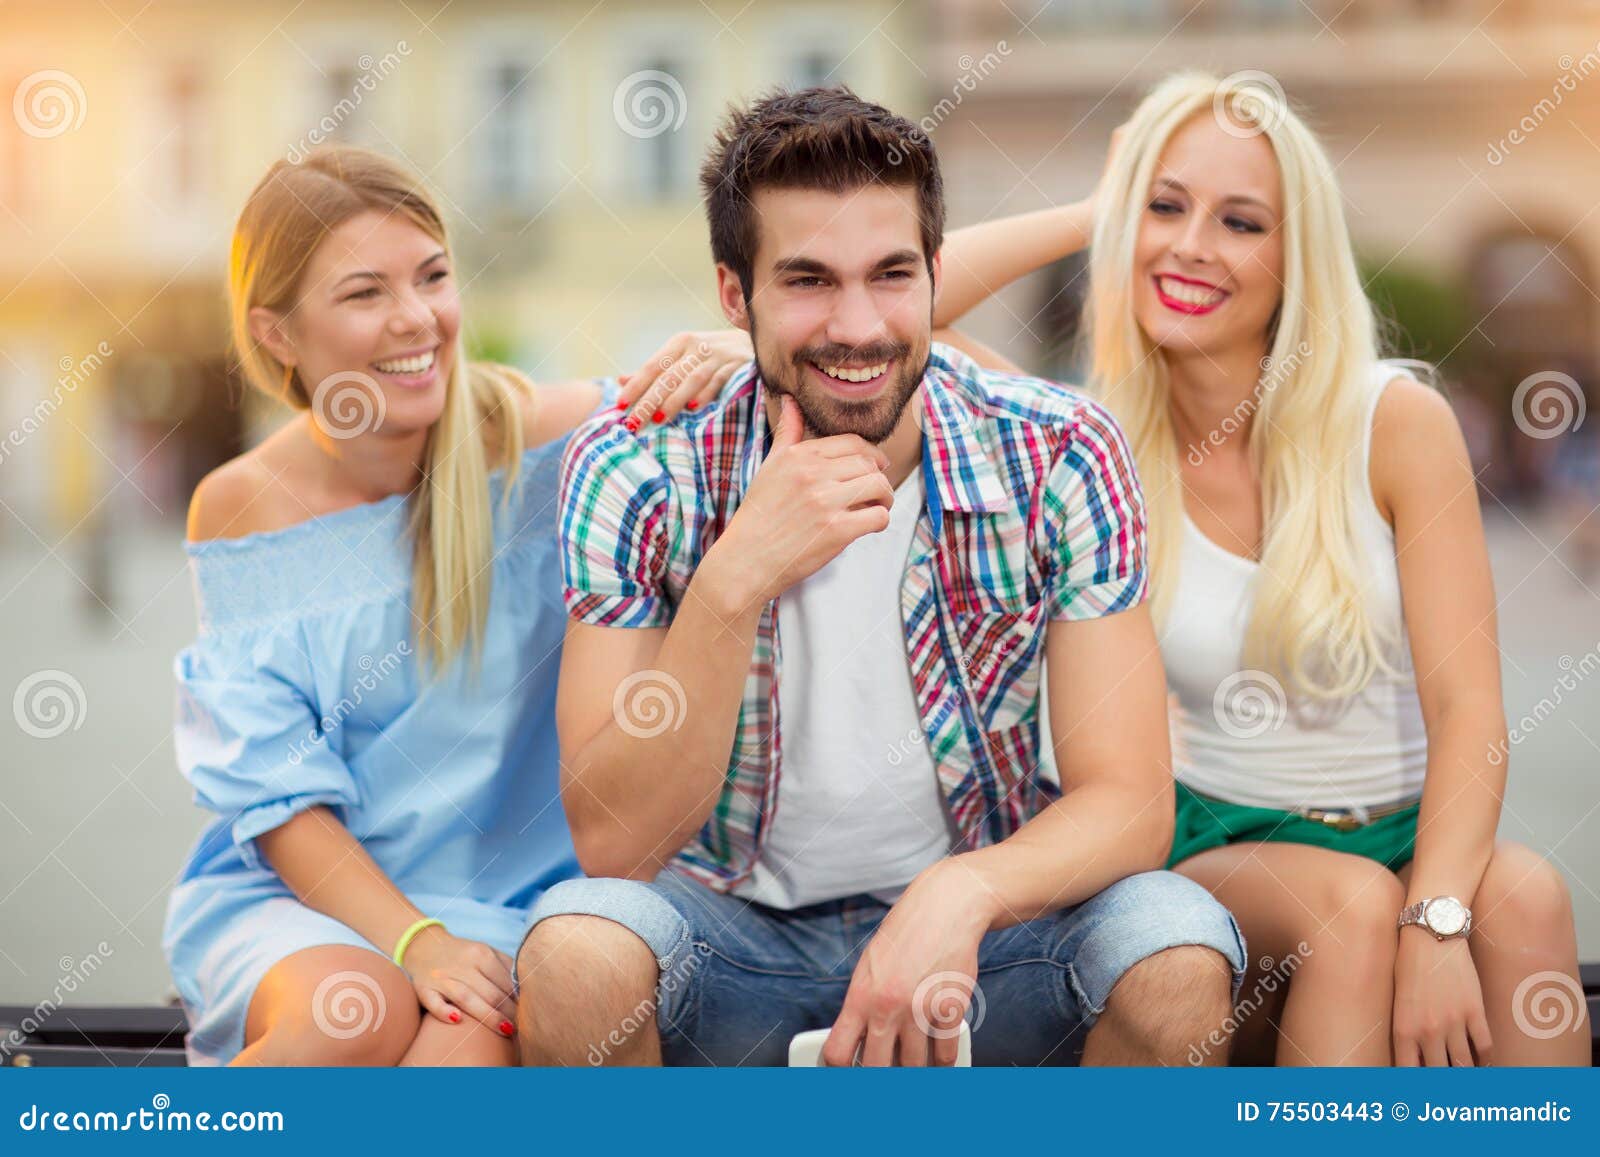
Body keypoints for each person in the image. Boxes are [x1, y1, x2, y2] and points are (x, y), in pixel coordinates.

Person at [514, 86, 1247, 1068]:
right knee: (575, 950)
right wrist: (735, 577)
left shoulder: (1058, 449)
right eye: (808, 280)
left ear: (935, 275)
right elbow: (613, 840)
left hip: (985, 950)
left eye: (890, 275)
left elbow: (1129, 802)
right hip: (731, 942)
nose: (857, 326)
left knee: (1174, 944)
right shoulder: (636, 464)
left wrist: (959, 894)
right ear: (736, 297)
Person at [933, 71, 1588, 1065]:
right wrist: (1099, 210)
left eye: (1239, 222)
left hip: (1408, 825)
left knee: (1527, 894)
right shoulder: (1091, 437)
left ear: (1294, 259)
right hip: (1212, 834)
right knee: (1354, 907)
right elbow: (900, 312)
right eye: (1166, 206)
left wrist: (1441, 917)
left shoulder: (1394, 422)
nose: (1192, 245)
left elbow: (1470, 711)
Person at [163, 145, 751, 1066]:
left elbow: (887, 323)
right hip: (314, 903)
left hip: (511, 905)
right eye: (363, 294)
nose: (417, 319)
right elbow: (276, 794)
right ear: (276, 332)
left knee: (467, 1043)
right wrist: (411, 942)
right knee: (345, 1012)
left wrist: (741, 342)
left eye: (432, 276)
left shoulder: (555, 442)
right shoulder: (242, 504)